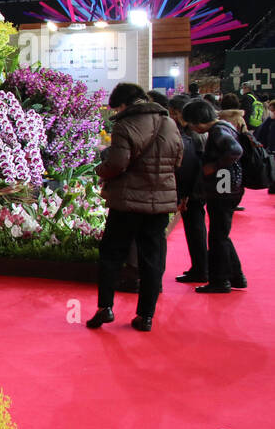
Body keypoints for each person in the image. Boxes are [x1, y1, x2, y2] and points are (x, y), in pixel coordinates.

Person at [87, 82, 182, 332]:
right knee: (152, 258)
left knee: (112, 254)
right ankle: (146, 316)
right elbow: (179, 157)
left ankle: (105, 307)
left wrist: (100, 170)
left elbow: (117, 163)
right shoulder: (169, 123)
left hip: (127, 203)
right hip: (160, 204)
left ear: (123, 104)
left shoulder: (125, 125)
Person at [182, 99, 246, 293]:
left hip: (224, 188)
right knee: (221, 234)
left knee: (218, 236)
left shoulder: (218, 131)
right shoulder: (225, 127)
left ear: (197, 121)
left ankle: (220, 280)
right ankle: (235, 276)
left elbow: (235, 151)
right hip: (228, 186)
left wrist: (214, 166)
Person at [169, 93, 208, 284]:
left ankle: (201, 269)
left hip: (194, 191)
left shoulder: (192, 136)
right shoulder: (192, 135)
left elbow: (192, 168)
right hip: (195, 190)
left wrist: (186, 195)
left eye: (173, 113)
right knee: (195, 230)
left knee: (196, 230)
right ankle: (200, 267)